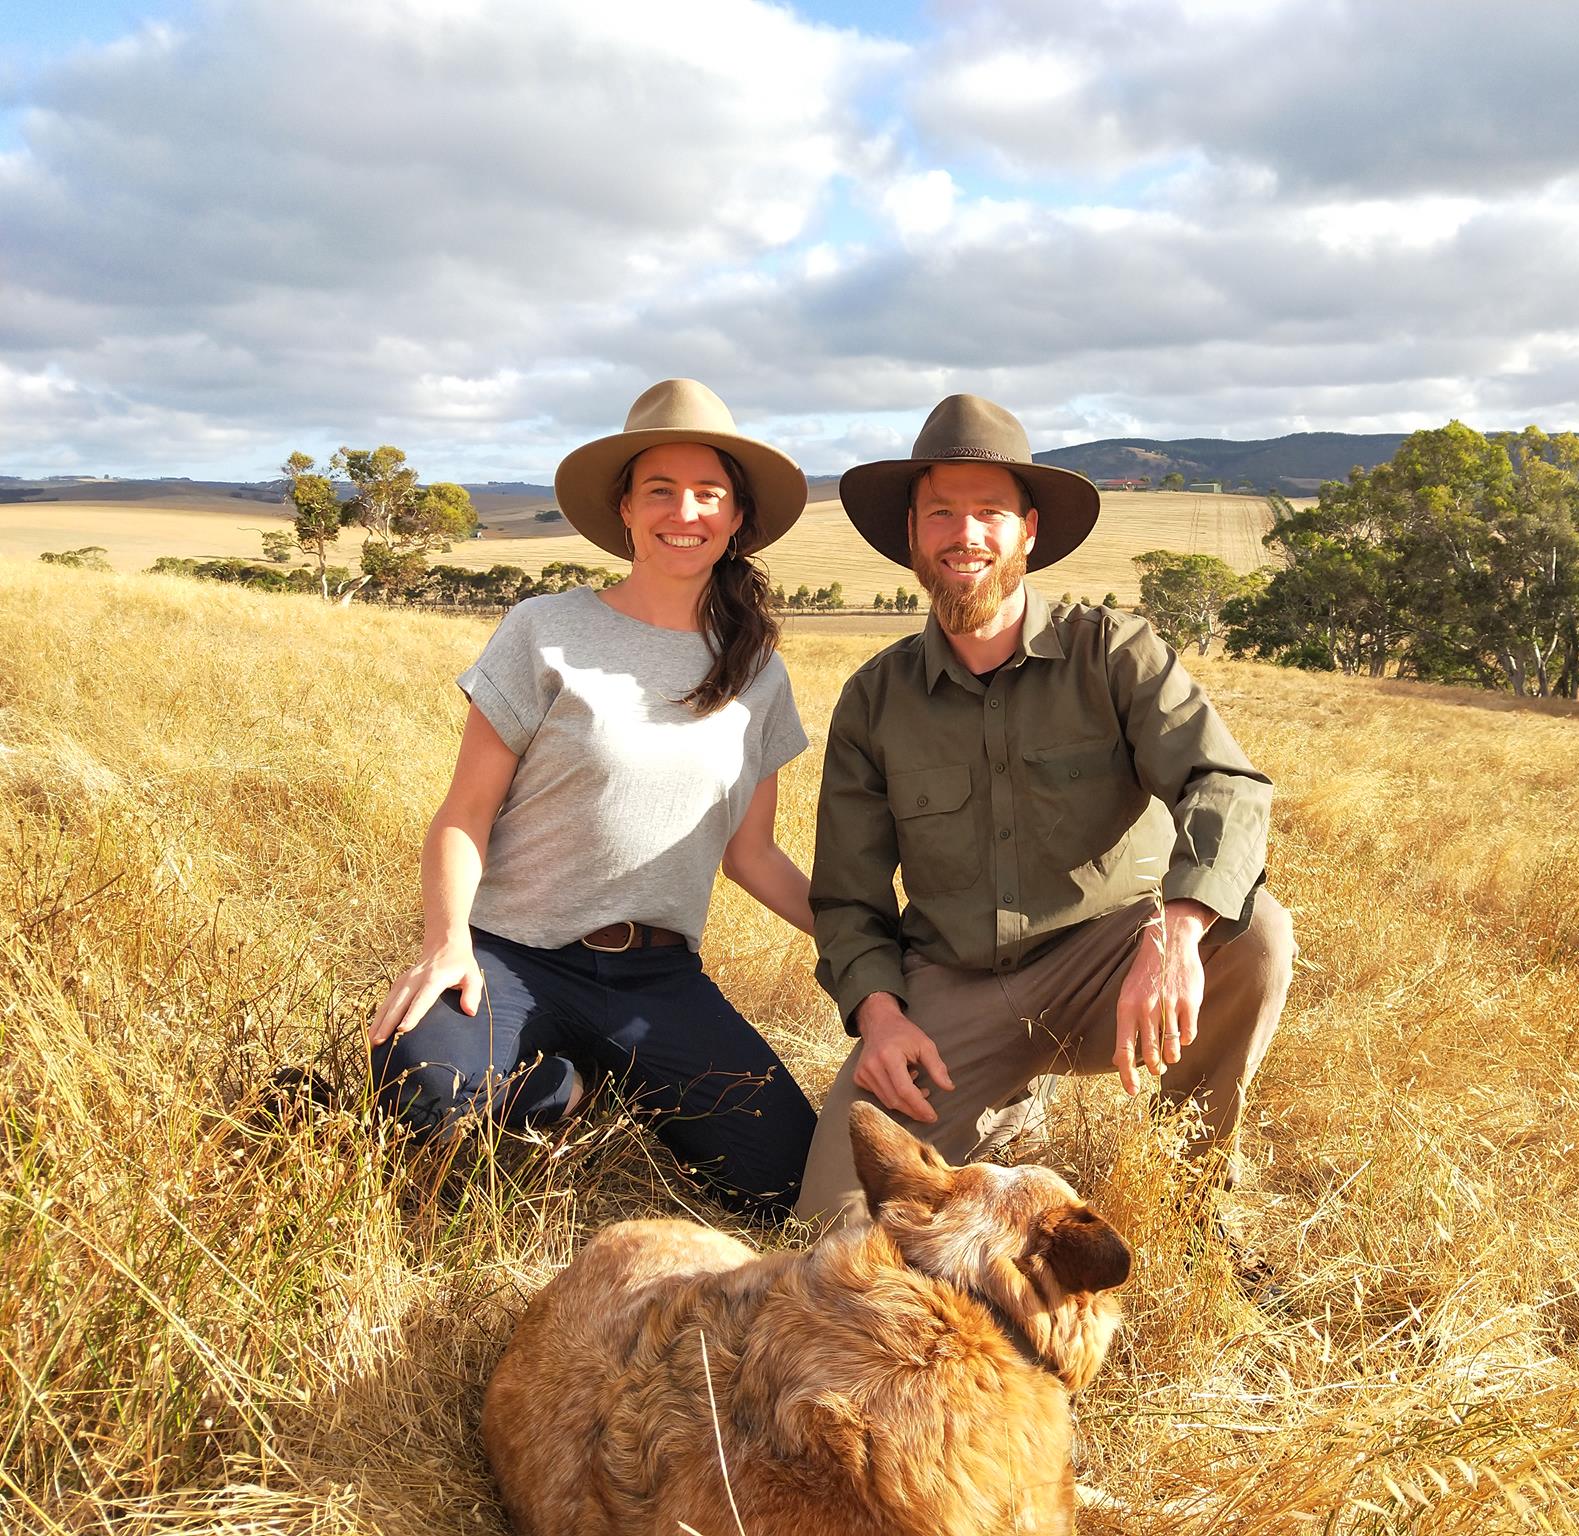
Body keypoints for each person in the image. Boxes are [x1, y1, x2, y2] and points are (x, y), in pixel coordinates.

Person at [796, 394, 1294, 1225]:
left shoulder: (1115, 653)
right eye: (941, 513)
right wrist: (879, 1016)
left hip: (1112, 960)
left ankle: (1191, 1202)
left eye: (989, 511)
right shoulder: (874, 700)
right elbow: (848, 898)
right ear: (912, 534)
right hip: (954, 987)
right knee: (835, 1226)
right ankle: (1003, 1106)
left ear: (1027, 531)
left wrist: (1176, 934)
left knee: (1256, 933)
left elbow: (1225, 782)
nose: (965, 534)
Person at [369, 379, 817, 1219]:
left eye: (709, 493)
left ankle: (616, 1070)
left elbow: (753, 855)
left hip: (657, 978)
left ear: (735, 517)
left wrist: (867, 933)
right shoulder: (546, 629)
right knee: (422, 1096)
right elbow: (464, 813)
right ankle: (563, 1088)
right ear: (625, 509)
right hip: (513, 953)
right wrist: (446, 944)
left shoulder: (759, 672)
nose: (684, 511)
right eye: (661, 490)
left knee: (786, 1185)